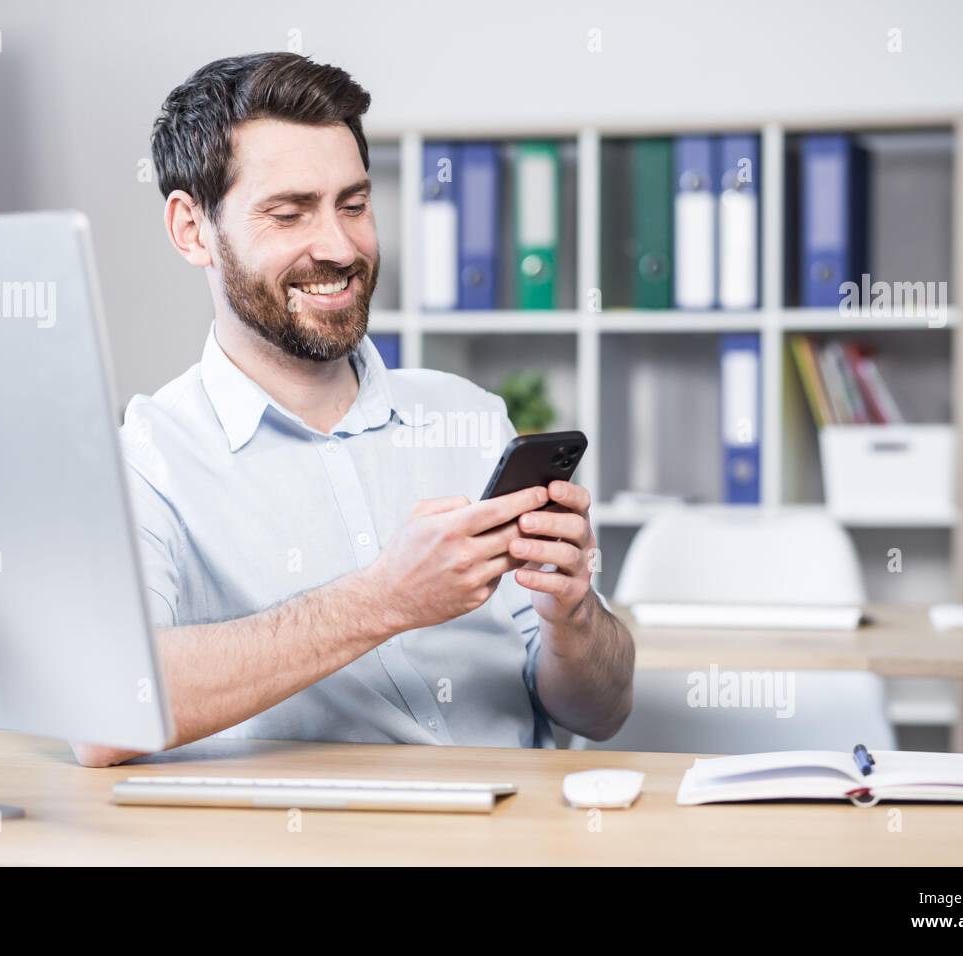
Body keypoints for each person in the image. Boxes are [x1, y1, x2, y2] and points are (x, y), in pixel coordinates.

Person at [71, 53, 633, 767]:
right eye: (289, 213)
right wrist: (385, 600)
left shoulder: (469, 417)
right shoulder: (148, 460)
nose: (338, 247)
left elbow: (604, 712)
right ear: (191, 230)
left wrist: (573, 617)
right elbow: (103, 715)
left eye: (354, 204)